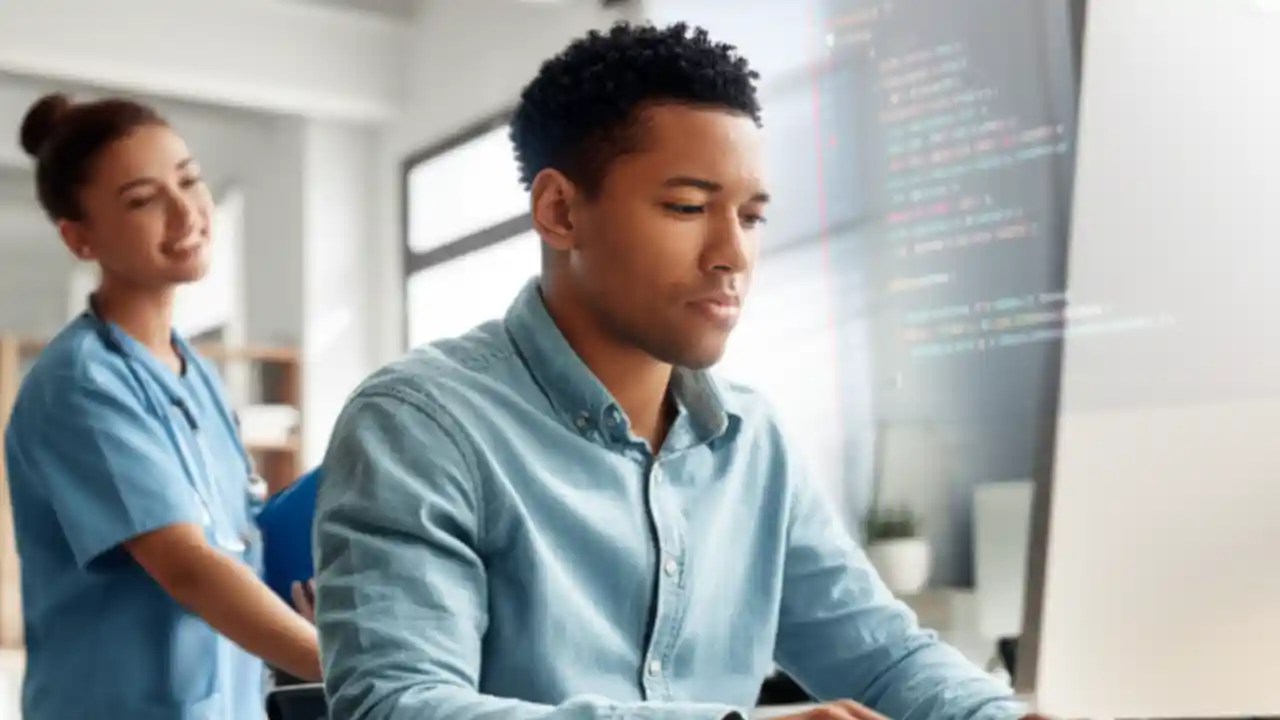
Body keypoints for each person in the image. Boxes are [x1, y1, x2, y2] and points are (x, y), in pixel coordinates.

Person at [315, 23, 1029, 720]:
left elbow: (884, 658)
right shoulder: (419, 425)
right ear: (561, 212)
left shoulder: (753, 441)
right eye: (688, 207)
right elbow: (399, 704)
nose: (733, 255)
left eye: (750, 218)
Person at [2, 93, 321, 719]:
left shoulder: (194, 370)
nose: (186, 212)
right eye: (143, 200)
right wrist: (357, 669)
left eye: (190, 180)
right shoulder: (80, 383)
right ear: (79, 238)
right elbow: (189, 566)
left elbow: (235, 539)